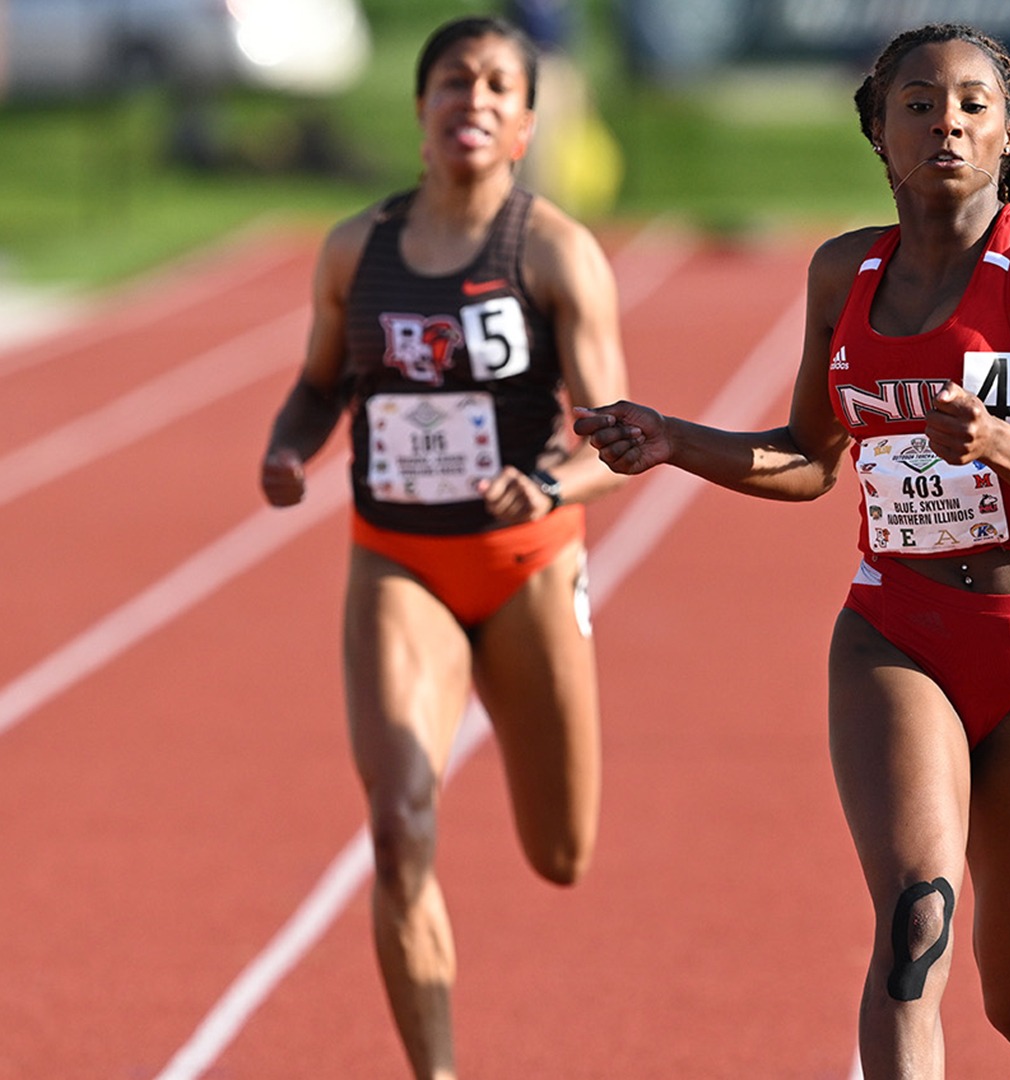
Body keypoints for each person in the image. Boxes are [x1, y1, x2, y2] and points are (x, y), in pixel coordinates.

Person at [574, 23, 1010, 1077]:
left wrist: (1002, 443)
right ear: (879, 133)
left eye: (972, 104)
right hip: (897, 632)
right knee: (916, 916)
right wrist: (674, 441)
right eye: (919, 105)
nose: (947, 124)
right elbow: (808, 458)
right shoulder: (848, 272)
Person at [257, 15, 629, 1078]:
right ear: (421, 112)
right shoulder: (356, 249)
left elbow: (618, 435)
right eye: (453, 82)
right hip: (400, 562)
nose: (473, 98)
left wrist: (549, 478)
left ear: (522, 125)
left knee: (562, 852)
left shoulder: (554, 250)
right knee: (398, 822)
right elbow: (319, 383)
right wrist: (289, 451)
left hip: (529, 563)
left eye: (498, 86)